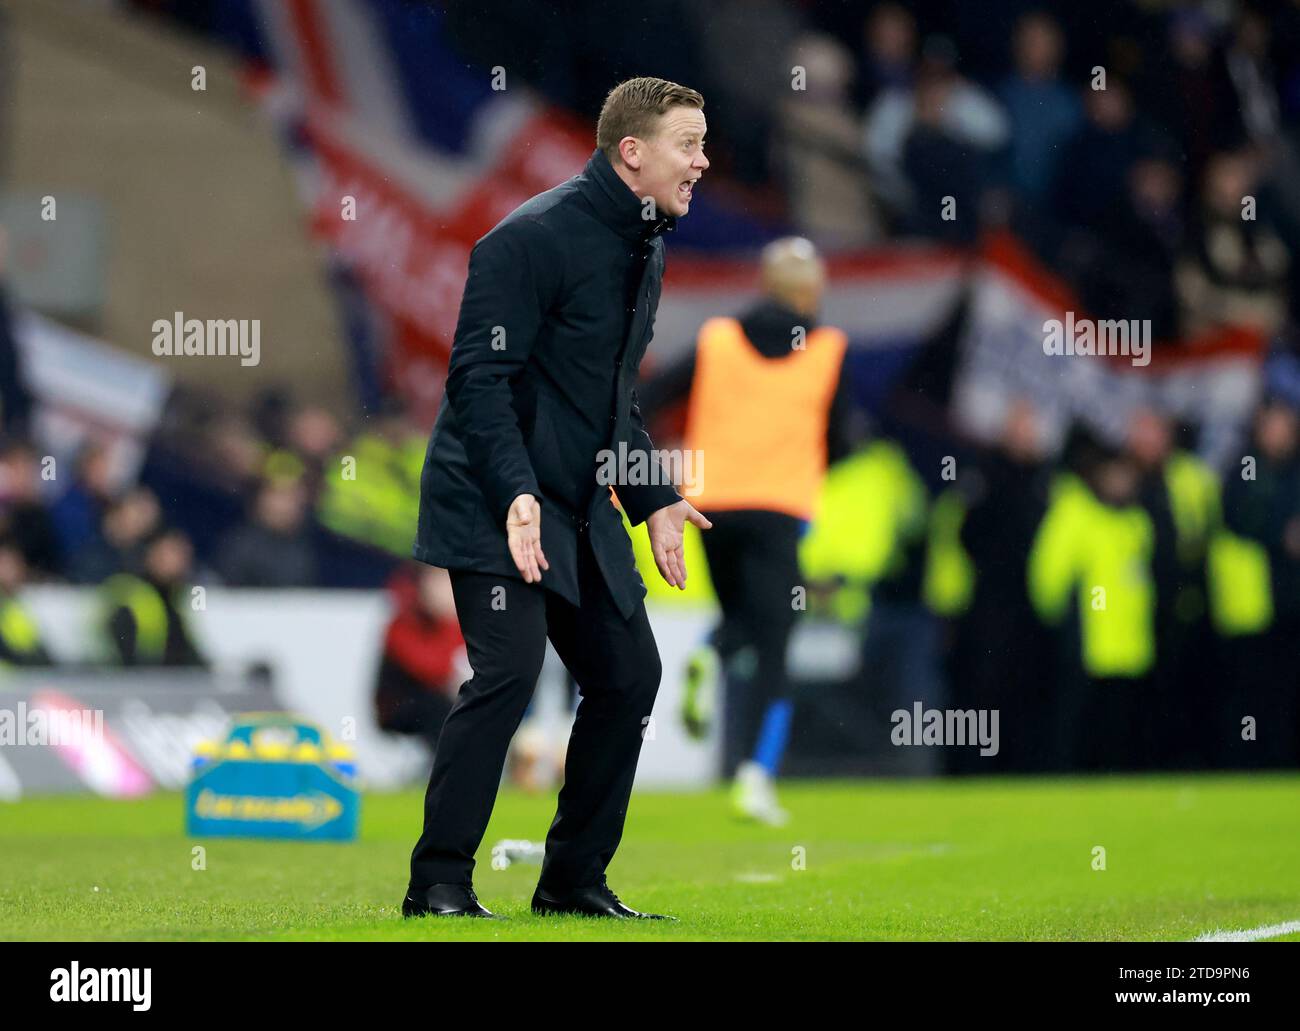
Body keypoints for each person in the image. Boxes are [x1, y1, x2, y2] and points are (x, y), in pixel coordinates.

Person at [402, 77, 712, 920]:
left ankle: (572, 881)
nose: (703, 162)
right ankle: (438, 883)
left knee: (630, 675)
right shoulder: (529, 239)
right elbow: (478, 378)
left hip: (575, 504)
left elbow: (612, 406)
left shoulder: (644, 245)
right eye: (689, 143)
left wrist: (654, 501)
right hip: (491, 496)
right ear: (633, 152)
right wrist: (514, 492)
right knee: (508, 671)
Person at [641, 237, 857, 825]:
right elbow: (842, 441)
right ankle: (755, 777)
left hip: (712, 509)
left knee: (743, 617)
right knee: (775, 641)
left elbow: (649, 397)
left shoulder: (717, 340)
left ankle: (711, 655)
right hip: (778, 509)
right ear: (811, 291)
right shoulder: (828, 349)